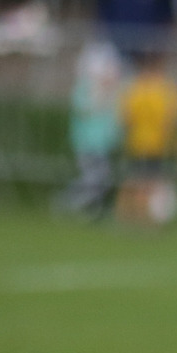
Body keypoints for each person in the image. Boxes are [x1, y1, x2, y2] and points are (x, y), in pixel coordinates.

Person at [115, 51, 177, 226]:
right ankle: (142, 217)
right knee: (148, 181)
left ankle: (131, 215)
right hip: (154, 143)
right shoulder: (165, 88)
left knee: (136, 179)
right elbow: (171, 118)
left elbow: (126, 117)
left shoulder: (135, 87)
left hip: (139, 141)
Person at [61, 40, 122, 219]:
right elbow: (85, 110)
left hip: (103, 143)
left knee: (101, 177)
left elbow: (113, 118)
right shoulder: (84, 90)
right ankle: (71, 203)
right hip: (87, 142)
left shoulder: (112, 93)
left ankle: (93, 208)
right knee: (93, 177)